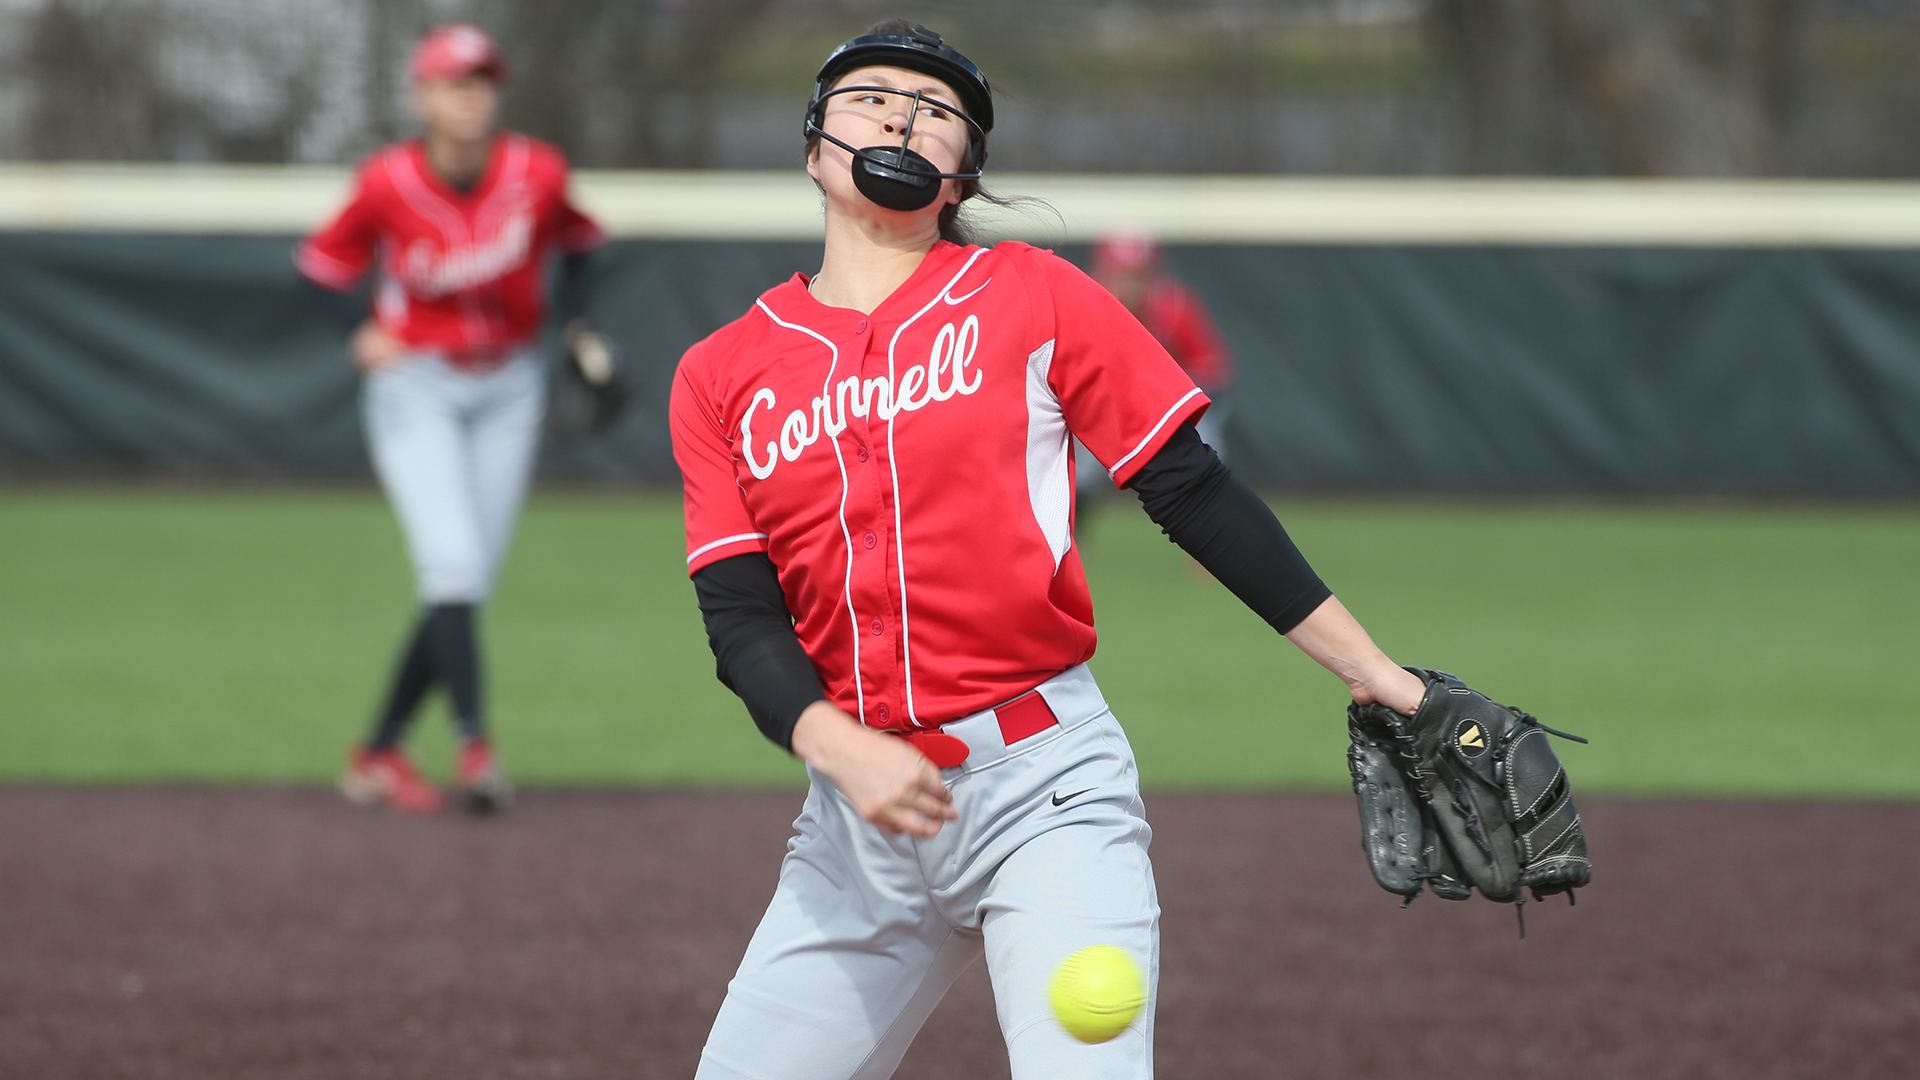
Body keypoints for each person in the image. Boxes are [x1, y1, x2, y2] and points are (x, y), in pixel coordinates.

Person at [670, 20, 1424, 1079]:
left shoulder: (1033, 295)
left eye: (937, 111)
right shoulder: (721, 372)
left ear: (960, 172)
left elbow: (1192, 491)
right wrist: (839, 750)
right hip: (854, 825)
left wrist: (1380, 676)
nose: (901, 114)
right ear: (812, 145)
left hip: (1045, 792)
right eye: (872, 95)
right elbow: (741, 620)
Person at [297, 23, 606, 814]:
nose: (471, 96)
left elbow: (579, 241)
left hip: (511, 384)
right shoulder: (386, 181)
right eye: (454, 82)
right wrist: (354, 331)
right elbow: (324, 267)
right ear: (423, 95)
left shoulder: (537, 171)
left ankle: (375, 752)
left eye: (482, 82)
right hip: (419, 385)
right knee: (453, 568)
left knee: (460, 584)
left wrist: (576, 325)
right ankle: (476, 748)